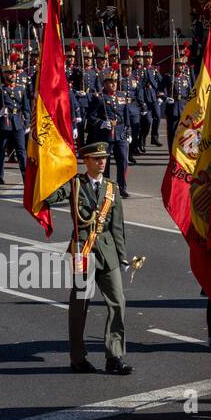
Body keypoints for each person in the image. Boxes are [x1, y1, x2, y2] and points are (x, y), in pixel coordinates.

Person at [44, 143, 133, 375]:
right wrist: (43, 179)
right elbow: (50, 197)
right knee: (79, 306)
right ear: (86, 161)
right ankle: (77, 357)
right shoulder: (75, 184)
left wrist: (122, 257)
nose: (101, 162)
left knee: (118, 302)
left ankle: (114, 356)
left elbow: (117, 227)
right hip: (83, 251)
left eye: (103, 158)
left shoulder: (111, 188)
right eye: (96, 158)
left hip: (108, 253)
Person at [86, 70, 135, 198]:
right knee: (104, 163)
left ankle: (122, 188)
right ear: (105, 83)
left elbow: (126, 115)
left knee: (123, 161)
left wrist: (128, 130)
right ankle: (106, 187)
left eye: (115, 82)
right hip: (105, 135)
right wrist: (101, 123)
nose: (113, 84)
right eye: (110, 82)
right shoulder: (99, 97)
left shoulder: (121, 96)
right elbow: (90, 116)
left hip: (120, 133)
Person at [0, 61, 29, 185]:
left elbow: (26, 108)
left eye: (13, 73)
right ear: (4, 74)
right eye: (9, 73)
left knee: (21, 151)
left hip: (18, 122)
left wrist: (27, 122)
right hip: (5, 122)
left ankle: (26, 177)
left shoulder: (21, 88)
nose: (12, 75)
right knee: (1, 151)